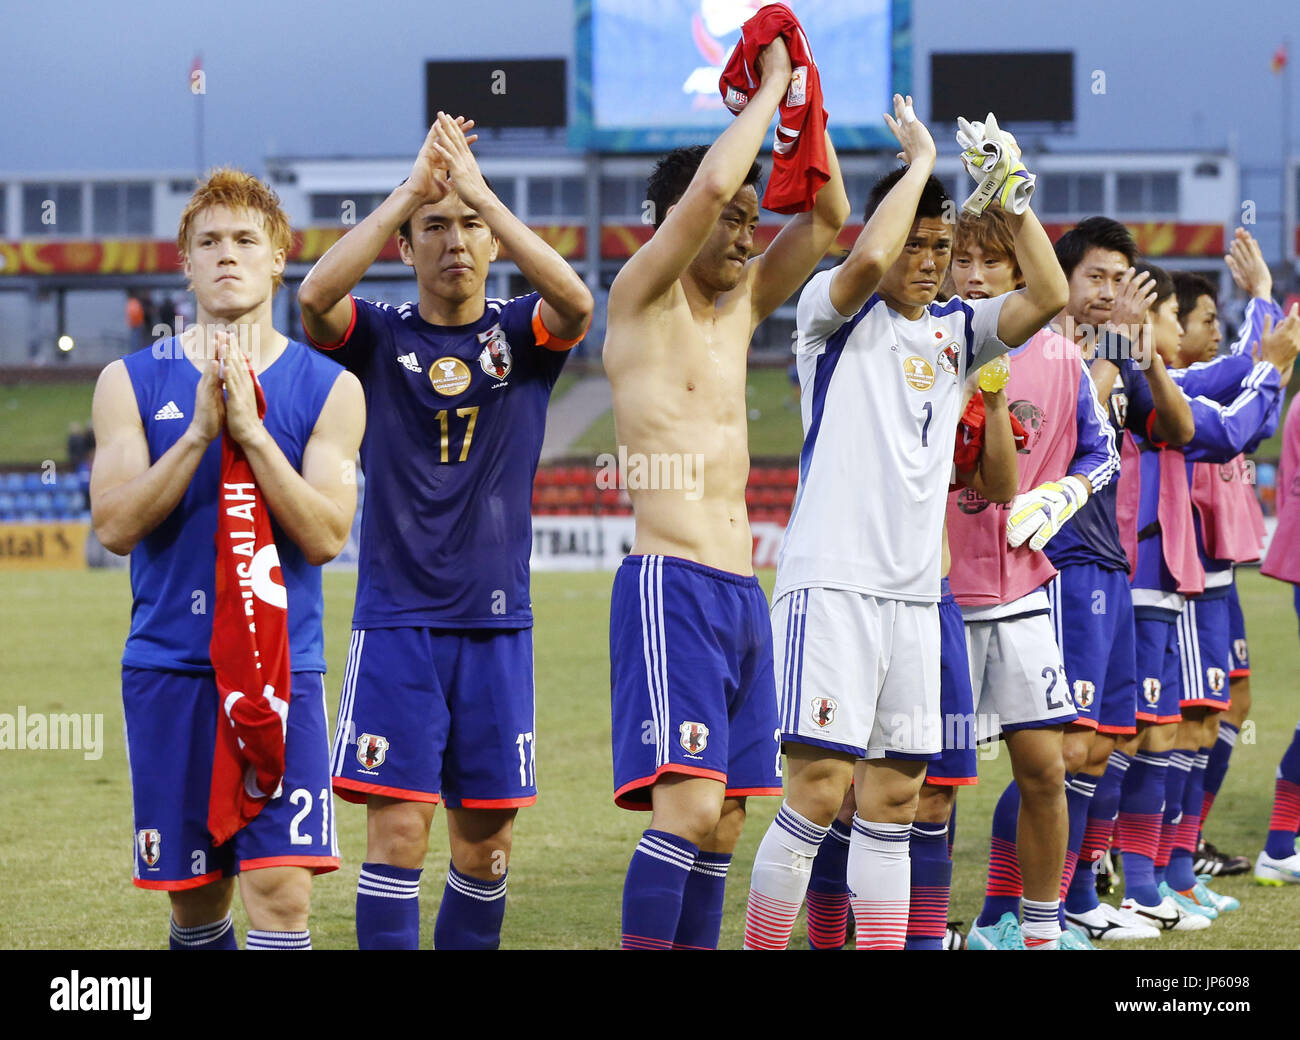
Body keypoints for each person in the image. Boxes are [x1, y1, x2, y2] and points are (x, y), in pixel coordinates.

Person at [744, 103, 1069, 950]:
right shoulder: (831, 311)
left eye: (944, 248)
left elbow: (1053, 292)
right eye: (920, 244)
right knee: (818, 792)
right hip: (833, 584)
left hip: (919, 602)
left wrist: (1013, 196)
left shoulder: (961, 334)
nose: (928, 262)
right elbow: (874, 255)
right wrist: (923, 161)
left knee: (894, 800)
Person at [298, 113, 593, 950]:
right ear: (406, 245)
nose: (455, 242)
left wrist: (479, 196)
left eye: (468, 228)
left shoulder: (522, 335)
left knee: (487, 850)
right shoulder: (383, 334)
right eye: (435, 229)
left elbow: (577, 302)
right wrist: (409, 191)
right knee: (397, 840)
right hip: (399, 622)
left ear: (493, 240)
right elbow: (315, 301)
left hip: (498, 626)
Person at [604, 36, 851, 951]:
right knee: (690, 801)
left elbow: (828, 218)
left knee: (730, 818)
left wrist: (806, 115)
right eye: (736, 219)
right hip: (670, 583)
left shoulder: (738, 310)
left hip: (743, 592)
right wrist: (772, 85)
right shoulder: (641, 299)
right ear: (674, 221)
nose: (749, 235)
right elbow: (709, 189)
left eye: (754, 222)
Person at [90, 167, 365, 950]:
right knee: (197, 904)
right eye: (208, 242)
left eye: (247, 240)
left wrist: (250, 433)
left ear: (280, 257)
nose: (227, 255)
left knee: (280, 896)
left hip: (282, 676)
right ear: (185, 261)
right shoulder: (128, 381)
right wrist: (199, 434)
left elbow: (325, 534)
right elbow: (114, 524)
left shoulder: (332, 387)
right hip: (171, 670)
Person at [941, 207, 1123, 951]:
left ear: (1021, 271)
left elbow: (1101, 454)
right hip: (936, 593)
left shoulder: (1059, 359)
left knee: (1046, 770)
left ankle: (1039, 932)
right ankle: (913, 929)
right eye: (962, 260)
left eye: (992, 260)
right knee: (922, 786)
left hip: (1021, 593)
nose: (974, 274)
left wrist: (1064, 495)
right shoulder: (925, 343)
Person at [1031, 218, 1193, 941]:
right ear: (1062, 277)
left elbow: (1180, 428)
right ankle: (1017, 913)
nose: (1107, 293)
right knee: (1058, 751)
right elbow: (1063, 431)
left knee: (1100, 747)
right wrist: (1112, 355)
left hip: (1113, 565)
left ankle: (1076, 900)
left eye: (1119, 282)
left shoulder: (1119, 356)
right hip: (1062, 564)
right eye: (1095, 277)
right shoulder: (1045, 345)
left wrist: (1146, 357)